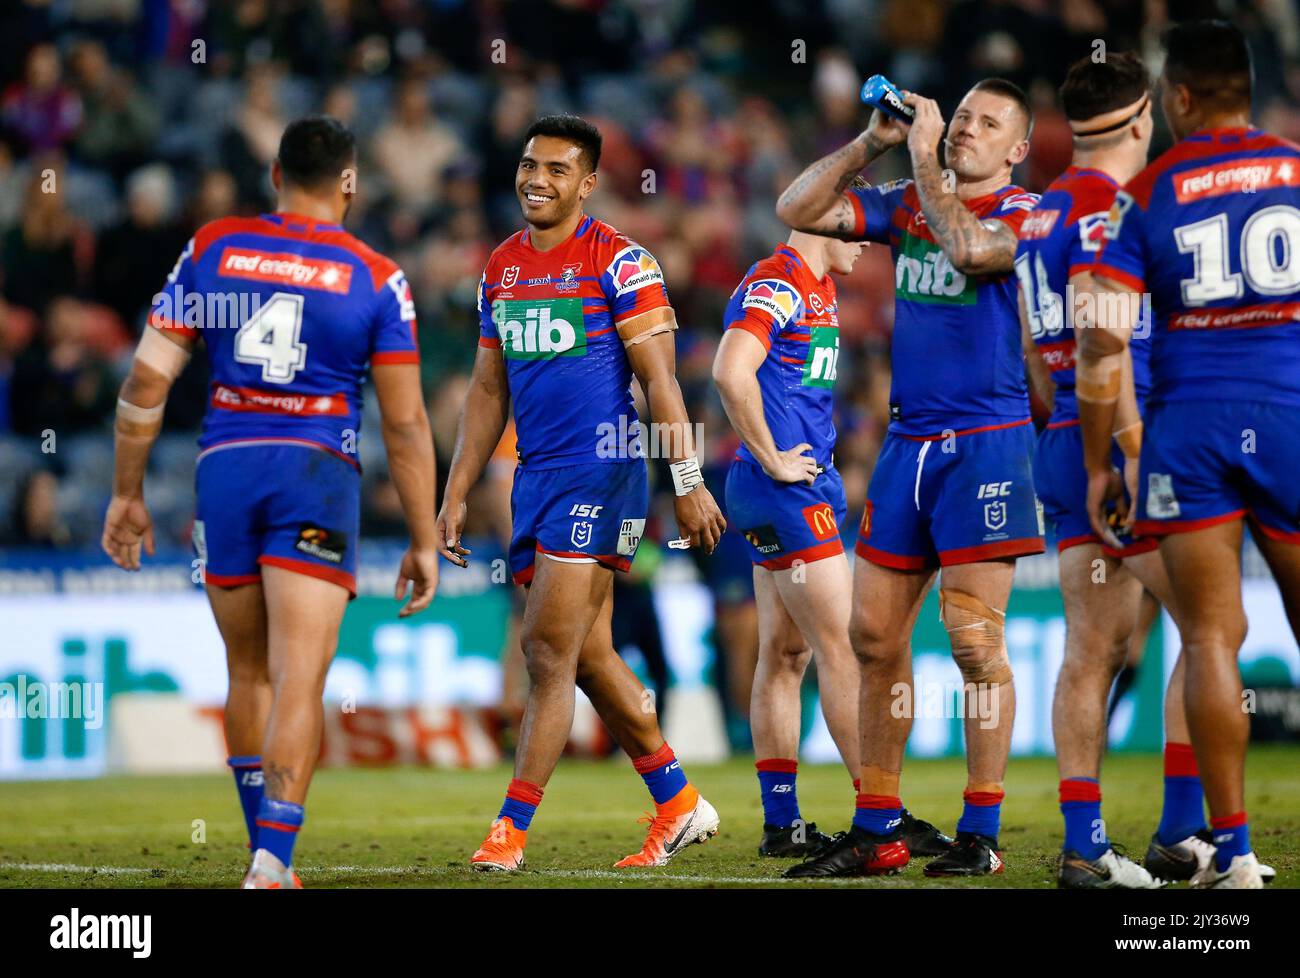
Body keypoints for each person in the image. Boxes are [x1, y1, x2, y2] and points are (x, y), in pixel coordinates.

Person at [101, 116, 440, 889]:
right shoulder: (376, 276)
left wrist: (126, 492)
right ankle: (271, 863)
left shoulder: (213, 248)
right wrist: (423, 537)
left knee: (246, 670)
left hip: (225, 468)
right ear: (349, 182)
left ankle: (264, 856)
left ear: (276, 175)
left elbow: (146, 383)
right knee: (298, 675)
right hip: (315, 471)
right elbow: (407, 421)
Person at [438, 114, 727, 872]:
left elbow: (660, 383)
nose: (537, 179)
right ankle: (678, 802)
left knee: (544, 649)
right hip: (536, 479)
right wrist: (456, 488)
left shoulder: (620, 263)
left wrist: (688, 481)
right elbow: (486, 388)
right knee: (590, 658)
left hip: (604, 470)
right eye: (529, 164)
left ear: (588, 183)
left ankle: (509, 831)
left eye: (557, 169)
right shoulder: (499, 267)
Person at [776, 78, 1044, 878]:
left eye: (987, 124)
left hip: (989, 446)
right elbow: (796, 209)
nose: (965, 129)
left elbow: (967, 249)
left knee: (973, 644)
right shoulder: (906, 199)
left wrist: (926, 161)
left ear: (1018, 149)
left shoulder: (1028, 216)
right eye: (960, 116)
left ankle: (982, 831)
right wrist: (872, 145)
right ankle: (879, 827)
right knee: (870, 639)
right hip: (908, 444)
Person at [1079, 19, 1300, 889]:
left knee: (1209, 635)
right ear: (1247, 89)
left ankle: (1235, 853)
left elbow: (1102, 347)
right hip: (1289, 413)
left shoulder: (1150, 191)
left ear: (1177, 98)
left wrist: (1103, 464)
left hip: (1191, 427)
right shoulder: (1296, 172)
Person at [712, 215, 951, 859]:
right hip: (783, 490)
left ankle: (781, 824)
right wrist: (774, 458)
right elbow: (731, 371)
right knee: (845, 650)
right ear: (822, 225)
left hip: (778, 490)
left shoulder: (814, 287)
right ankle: (883, 813)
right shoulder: (779, 279)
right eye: (856, 229)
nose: (867, 241)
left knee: (785, 657)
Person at [1017, 52, 1194, 888]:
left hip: (1064, 443)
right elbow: (1101, 337)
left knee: (1093, 649)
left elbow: (1034, 355)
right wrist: (1121, 450)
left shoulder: (1042, 213)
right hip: (1129, 443)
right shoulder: (1107, 210)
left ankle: (1085, 845)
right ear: (1140, 119)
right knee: (1211, 626)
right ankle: (1188, 831)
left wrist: (1071, 441)